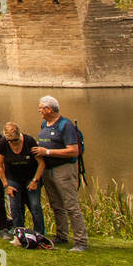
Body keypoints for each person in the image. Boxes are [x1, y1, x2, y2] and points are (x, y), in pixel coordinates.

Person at [34, 95, 87, 251]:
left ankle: (81, 242)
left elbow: (74, 151)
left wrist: (47, 151)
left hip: (63, 169)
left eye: (41, 108)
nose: (39, 111)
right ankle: (62, 236)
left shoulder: (66, 126)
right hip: (48, 170)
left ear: (49, 109)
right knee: (56, 205)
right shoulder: (45, 124)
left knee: (71, 206)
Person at [0, 120, 45, 236]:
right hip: (13, 178)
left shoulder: (29, 141)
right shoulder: (2, 143)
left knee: (35, 205)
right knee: (15, 205)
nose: (13, 143)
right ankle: (19, 231)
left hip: (31, 177)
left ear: (19, 135)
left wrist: (35, 181)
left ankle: (39, 233)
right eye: (10, 141)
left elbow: (41, 164)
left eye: (15, 140)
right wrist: (6, 185)